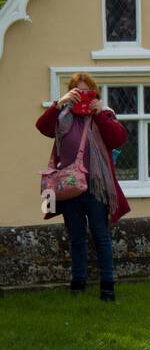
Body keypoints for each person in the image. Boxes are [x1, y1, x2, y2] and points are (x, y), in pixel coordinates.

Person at [36, 73, 130, 301]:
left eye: (88, 93)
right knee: (76, 237)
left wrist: (98, 114)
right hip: (69, 186)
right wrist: (60, 103)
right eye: (78, 93)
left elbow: (118, 139)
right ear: (71, 94)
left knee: (101, 236)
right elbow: (42, 126)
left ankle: (107, 288)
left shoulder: (105, 114)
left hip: (96, 187)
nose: (83, 98)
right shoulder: (62, 116)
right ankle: (77, 284)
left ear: (95, 94)